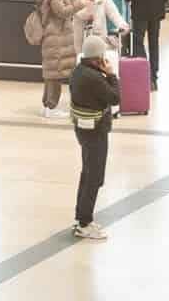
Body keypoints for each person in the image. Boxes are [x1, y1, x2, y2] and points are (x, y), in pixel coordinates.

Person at [68, 32, 120, 241]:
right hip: (96, 132)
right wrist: (111, 75)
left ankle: (81, 217)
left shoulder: (78, 72)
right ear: (97, 58)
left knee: (87, 173)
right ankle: (84, 223)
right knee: (94, 177)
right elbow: (115, 98)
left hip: (83, 129)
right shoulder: (95, 78)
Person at [33, 0, 82, 119]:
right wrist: (80, 5)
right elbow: (61, 12)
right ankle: (51, 107)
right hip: (56, 36)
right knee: (55, 74)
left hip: (54, 35)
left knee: (51, 73)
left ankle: (47, 106)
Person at [70, 0, 127, 64]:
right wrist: (92, 3)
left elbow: (110, 7)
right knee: (80, 56)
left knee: (99, 57)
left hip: (98, 30)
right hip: (80, 28)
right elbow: (78, 13)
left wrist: (121, 23)